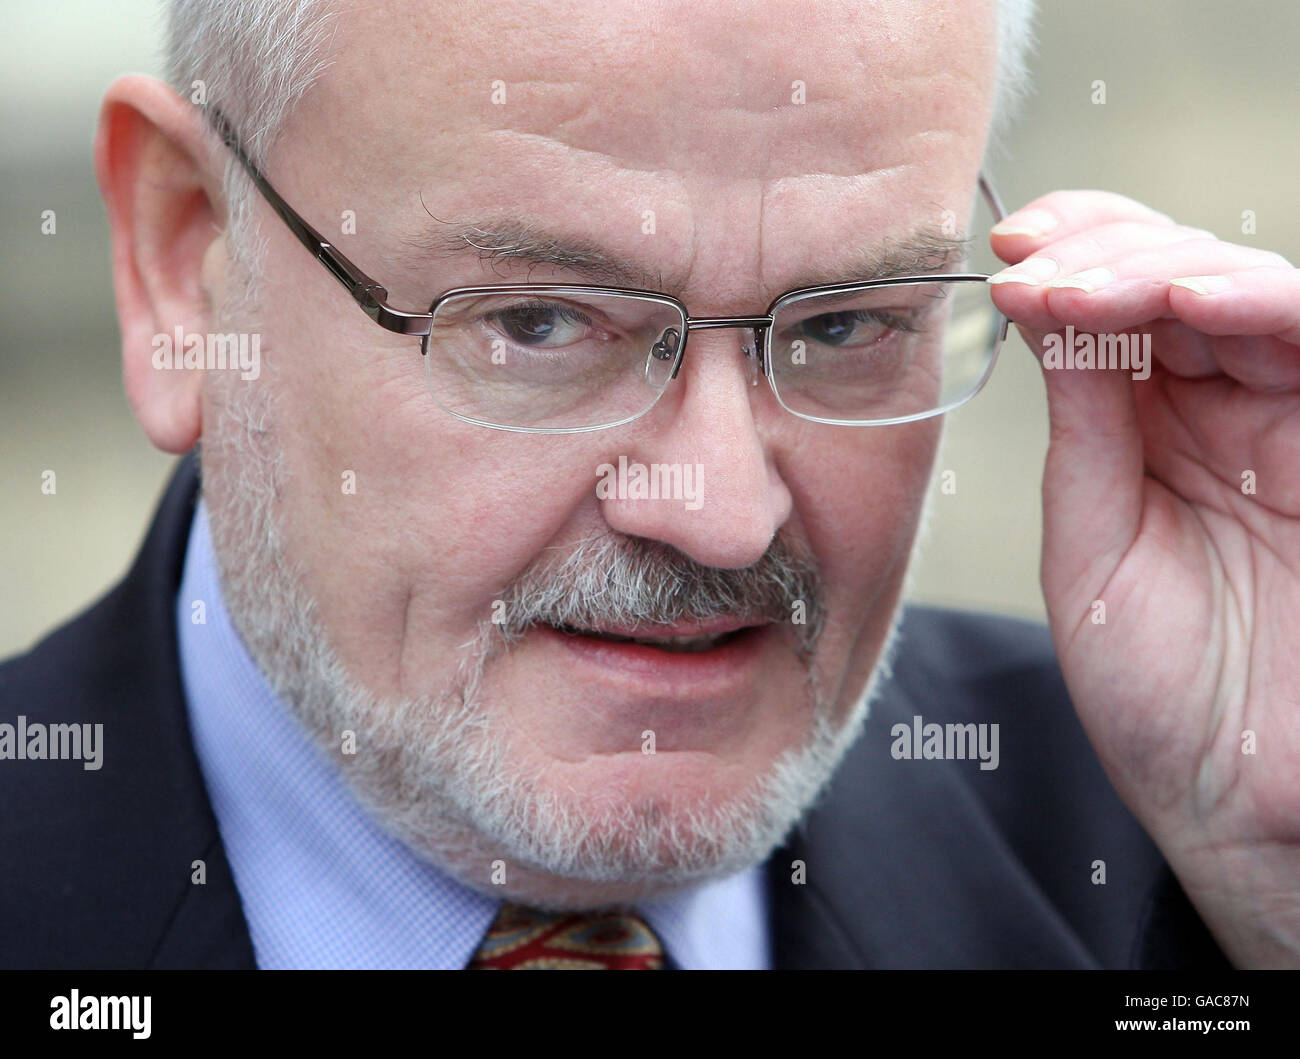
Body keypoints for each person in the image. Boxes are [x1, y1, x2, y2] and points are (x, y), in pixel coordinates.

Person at [3, 0, 1297, 969]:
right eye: (541, 324)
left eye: (843, 325)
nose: (722, 510)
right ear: (185, 259)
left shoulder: (1162, 867)